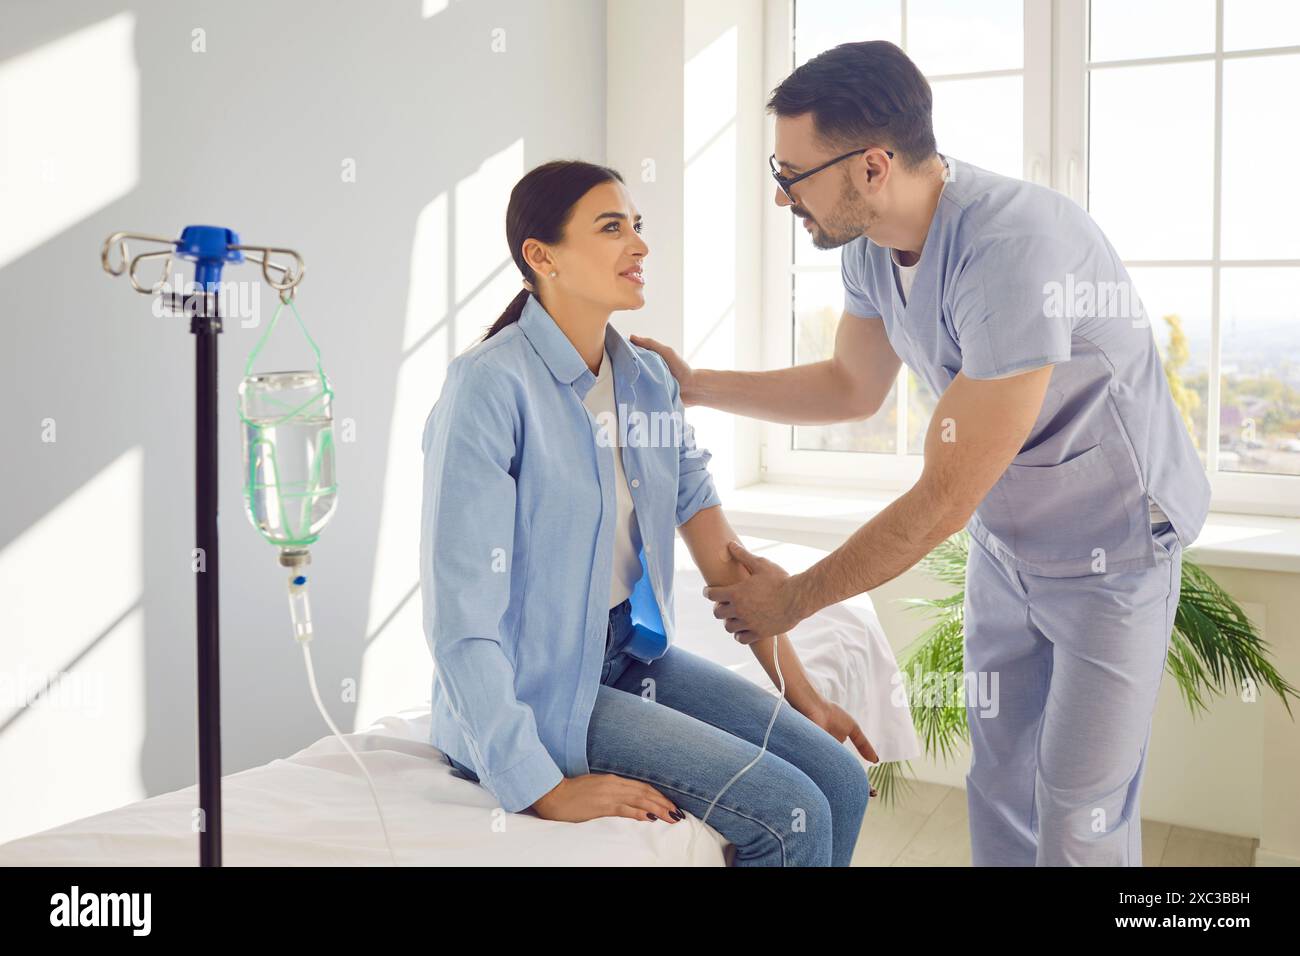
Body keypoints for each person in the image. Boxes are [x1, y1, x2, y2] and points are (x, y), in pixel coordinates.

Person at [632, 41, 1210, 866]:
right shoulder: (871, 246)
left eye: (793, 173)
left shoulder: (1012, 250)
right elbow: (849, 387)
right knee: (1001, 778)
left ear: (872, 166)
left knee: (1080, 801)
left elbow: (943, 498)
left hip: (1111, 547)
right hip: (1010, 543)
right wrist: (698, 385)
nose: (780, 192)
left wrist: (794, 600)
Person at [419, 159, 876, 866]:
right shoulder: (488, 388)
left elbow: (726, 563)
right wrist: (539, 785)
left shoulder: (649, 382)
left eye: (637, 226)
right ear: (542, 257)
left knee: (842, 783)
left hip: (628, 657)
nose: (639, 245)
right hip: (534, 684)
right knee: (794, 818)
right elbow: (460, 620)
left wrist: (804, 695)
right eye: (612, 228)